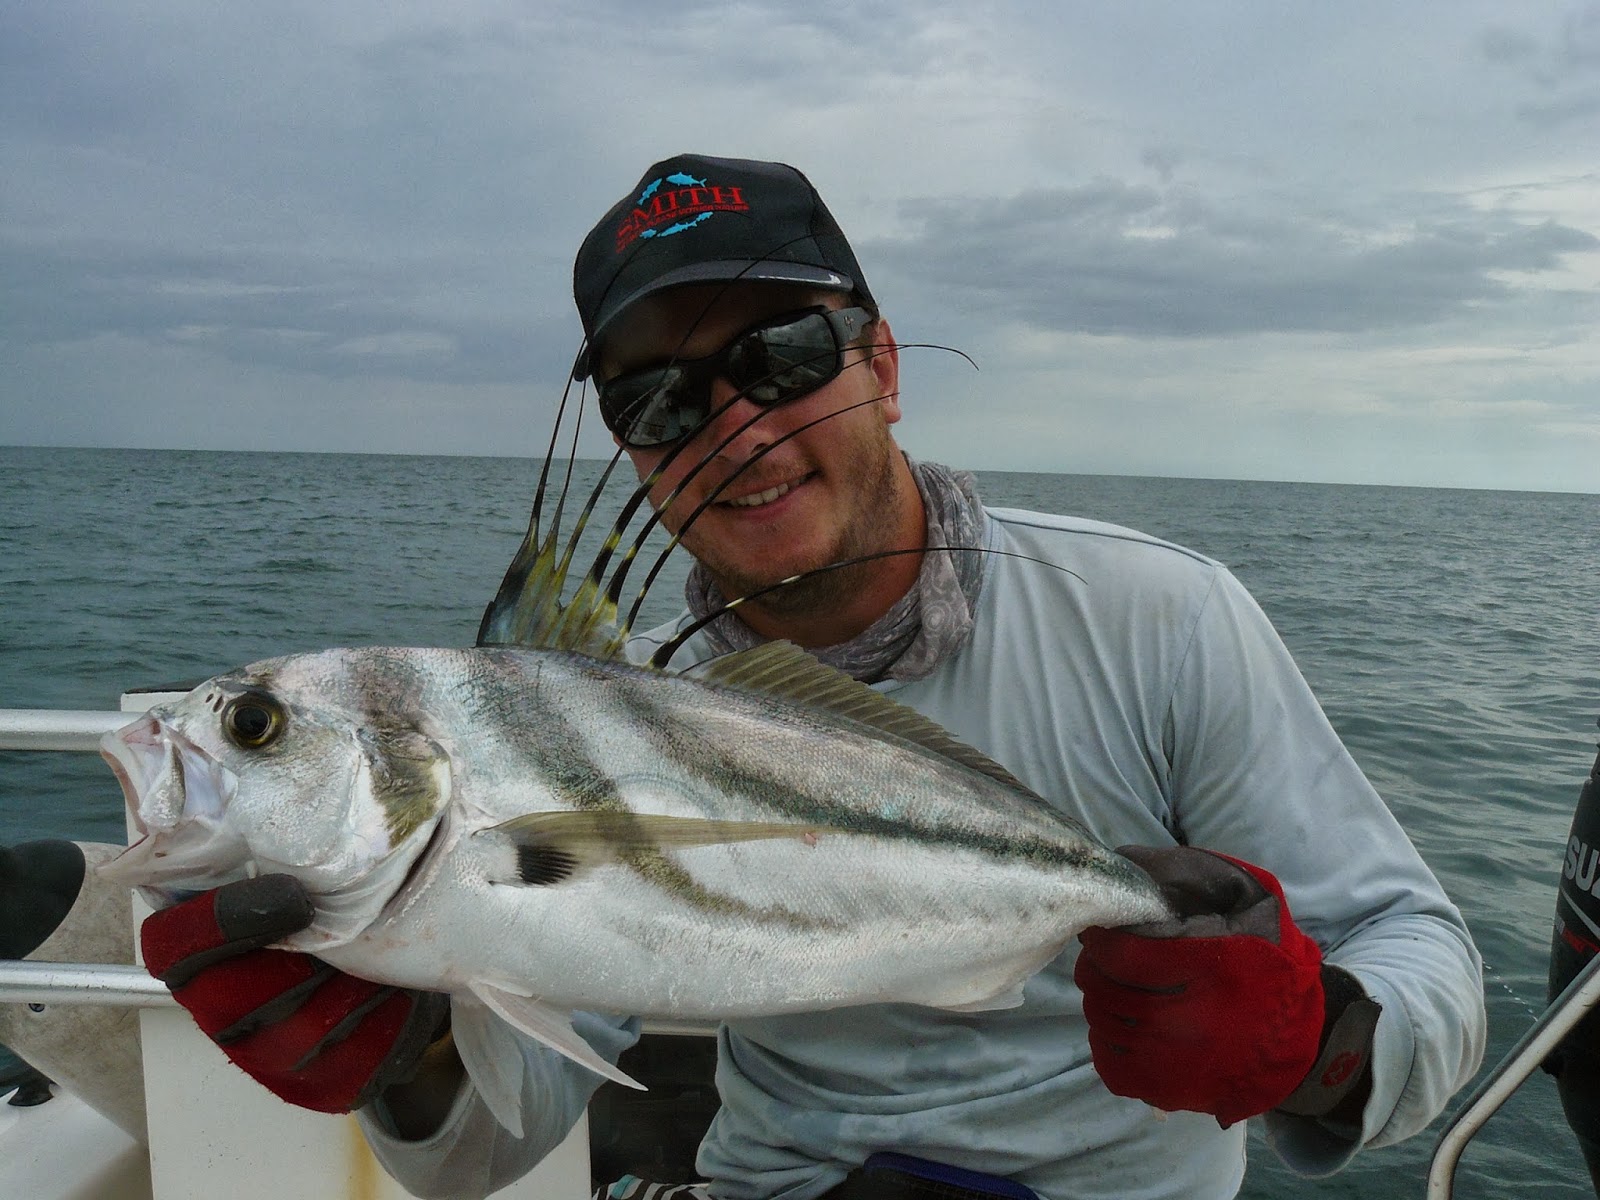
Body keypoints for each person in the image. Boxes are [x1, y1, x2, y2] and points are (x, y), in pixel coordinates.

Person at [138, 154, 1487, 1200]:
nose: (732, 428)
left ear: (883, 364)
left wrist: (1322, 1044)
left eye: (779, 359)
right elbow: (503, 1133)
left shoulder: (1161, 614)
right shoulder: (588, 712)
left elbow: (1429, 958)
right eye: (655, 401)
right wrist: (411, 1057)